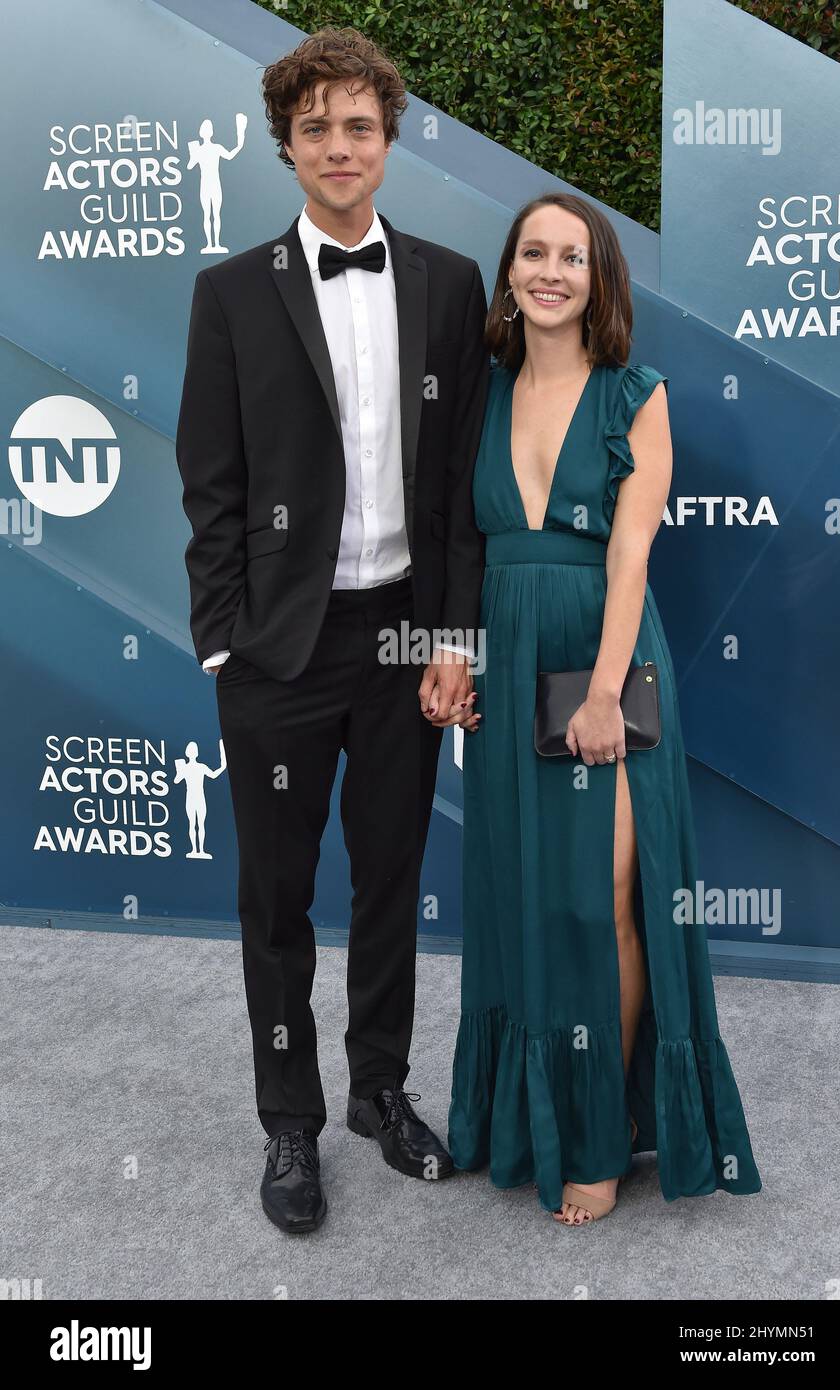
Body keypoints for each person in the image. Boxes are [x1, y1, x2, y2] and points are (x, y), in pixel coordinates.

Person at [175, 26, 489, 1233]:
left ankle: (379, 1090)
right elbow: (212, 481)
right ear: (286, 146)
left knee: (392, 883)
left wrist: (454, 638)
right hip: (279, 647)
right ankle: (289, 1121)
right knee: (276, 896)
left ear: (389, 138)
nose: (340, 145)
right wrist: (224, 638)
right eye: (316, 127)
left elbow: (462, 488)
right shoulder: (227, 294)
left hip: (404, 637)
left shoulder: (450, 285)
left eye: (360, 124)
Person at [447, 193, 762, 1224]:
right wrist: (457, 655)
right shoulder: (478, 393)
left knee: (604, 901)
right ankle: (517, 1117)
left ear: (599, 277)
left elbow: (629, 556)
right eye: (531, 252)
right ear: (509, 273)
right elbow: (459, 545)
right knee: (524, 898)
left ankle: (599, 1134)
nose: (549, 270)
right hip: (506, 650)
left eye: (570, 256)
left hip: (605, 658)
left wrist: (599, 693)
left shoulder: (637, 391)